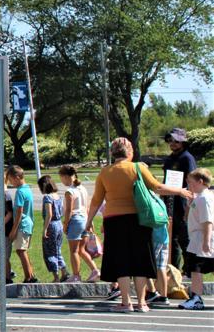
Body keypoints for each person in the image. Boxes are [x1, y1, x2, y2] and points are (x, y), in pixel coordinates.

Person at [85, 137, 192, 313]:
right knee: (140, 260)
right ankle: (142, 303)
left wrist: (88, 222)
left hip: (114, 220)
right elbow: (157, 187)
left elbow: (97, 200)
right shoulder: (138, 168)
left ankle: (126, 303)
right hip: (138, 219)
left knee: (122, 262)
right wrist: (179, 191)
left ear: (112, 153)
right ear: (130, 152)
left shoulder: (105, 172)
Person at [162, 128, 197, 272]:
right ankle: (174, 270)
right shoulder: (170, 158)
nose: (173, 143)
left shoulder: (187, 158)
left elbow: (192, 181)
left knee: (185, 238)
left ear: (182, 141)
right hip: (169, 202)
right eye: (170, 141)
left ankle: (189, 269)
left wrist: (190, 203)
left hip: (182, 203)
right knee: (171, 239)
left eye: (176, 141)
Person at [179, 168, 214, 310]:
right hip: (196, 238)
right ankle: (196, 297)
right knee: (195, 268)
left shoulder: (205, 198)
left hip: (202, 238)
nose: (188, 185)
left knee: (197, 268)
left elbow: (208, 221)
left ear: (201, 182)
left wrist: (206, 241)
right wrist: (189, 204)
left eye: (191, 182)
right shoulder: (198, 197)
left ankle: (196, 298)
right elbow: (186, 217)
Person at [59, 165, 100, 283]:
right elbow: (87, 207)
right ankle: (95, 270)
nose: (61, 181)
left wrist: (65, 224)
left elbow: (68, 210)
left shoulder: (69, 191)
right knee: (82, 250)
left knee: (74, 251)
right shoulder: (82, 189)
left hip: (75, 221)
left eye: (61, 178)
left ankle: (76, 275)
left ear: (66, 177)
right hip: (85, 219)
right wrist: (90, 222)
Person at [6, 166, 38, 283]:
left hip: (22, 225)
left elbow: (19, 212)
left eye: (10, 179)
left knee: (21, 251)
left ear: (17, 177)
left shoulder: (20, 191)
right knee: (23, 250)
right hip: (28, 224)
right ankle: (31, 274)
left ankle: (28, 277)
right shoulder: (27, 189)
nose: (10, 182)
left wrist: (14, 230)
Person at [38, 175, 69, 282]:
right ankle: (64, 271)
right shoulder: (58, 196)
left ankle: (56, 276)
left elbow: (49, 214)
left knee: (49, 251)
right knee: (57, 249)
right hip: (59, 224)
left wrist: (45, 229)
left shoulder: (48, 197)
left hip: (51, 225)